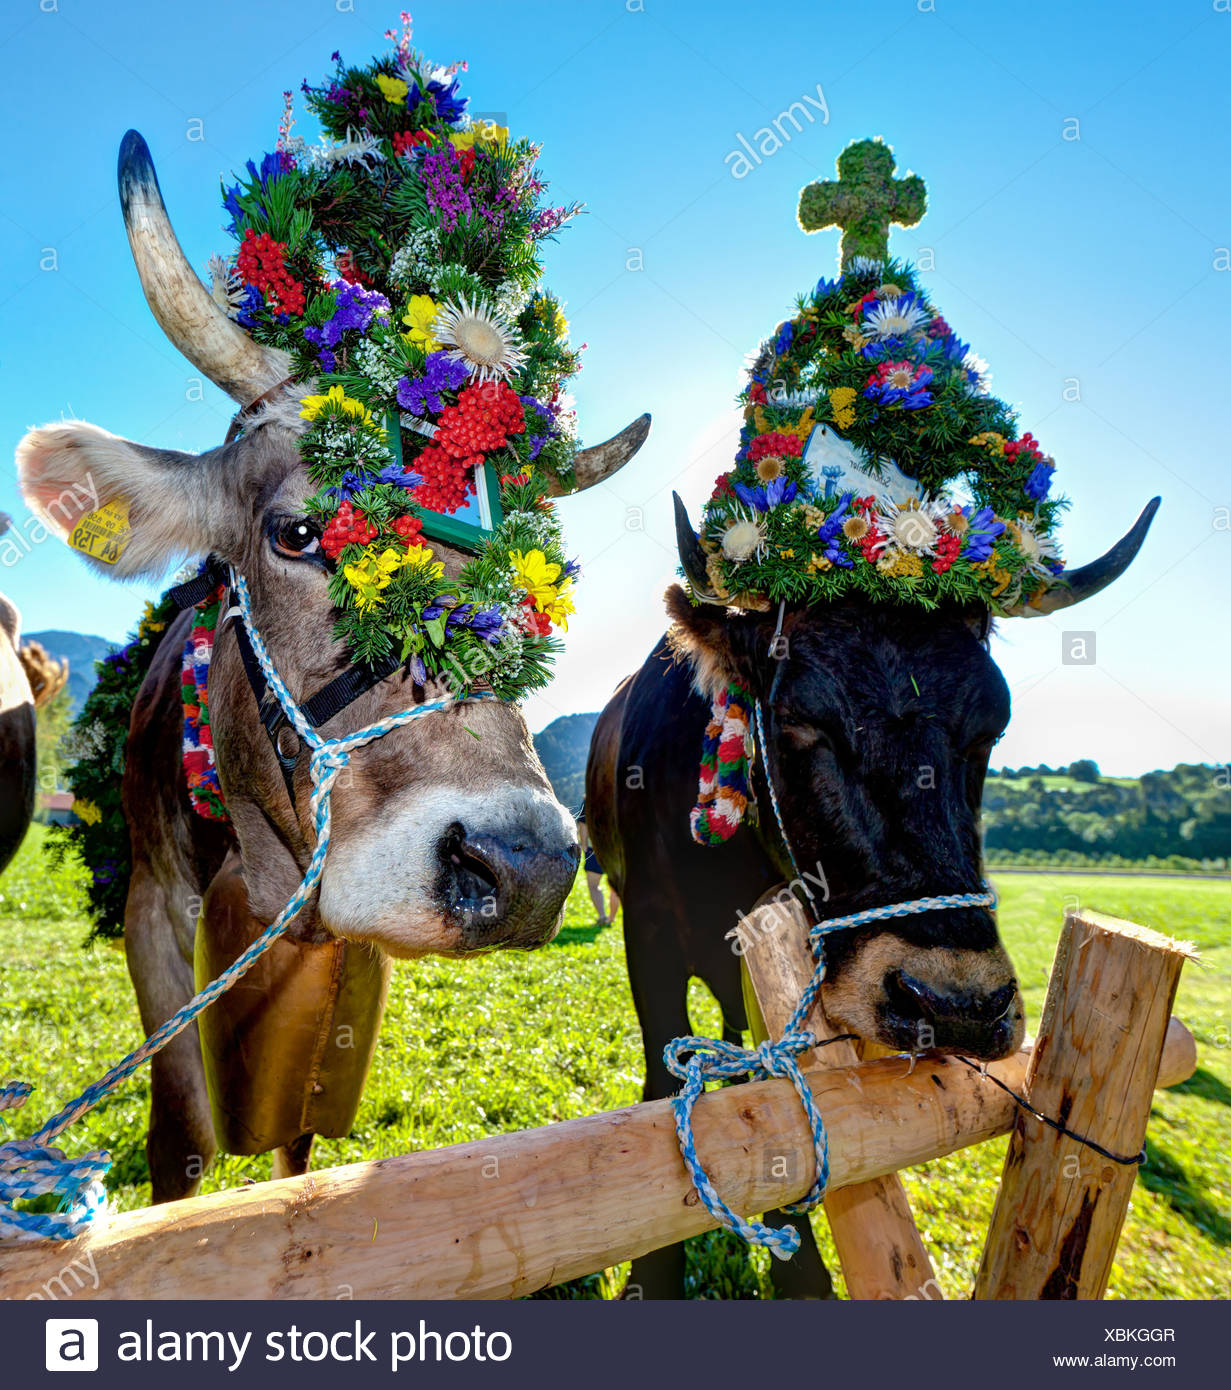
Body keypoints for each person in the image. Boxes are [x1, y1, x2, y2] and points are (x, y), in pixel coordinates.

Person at [575, 805, 619, 927]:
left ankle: (602, 917)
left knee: (593, 885)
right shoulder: (623, 796)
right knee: (615, 887)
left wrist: (584, 845)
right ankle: (611, 919)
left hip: (595, 848)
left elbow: (583, 823)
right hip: (616, 849)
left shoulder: (591, 799)